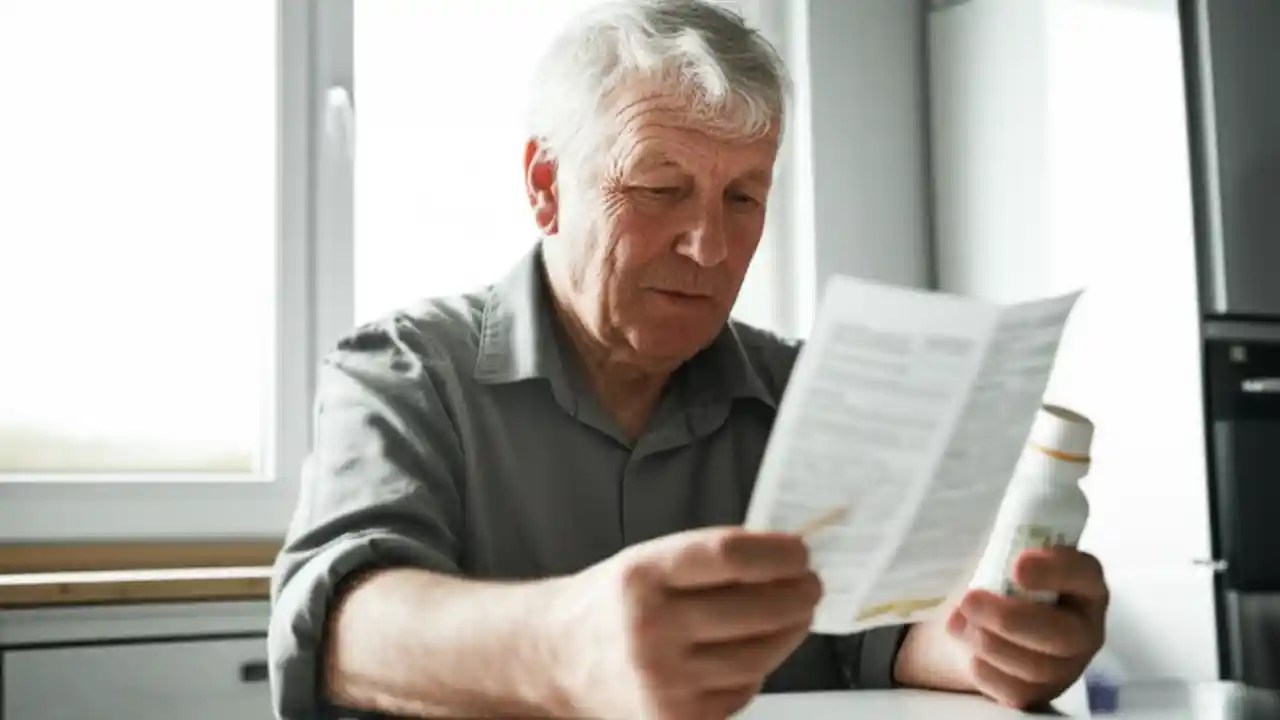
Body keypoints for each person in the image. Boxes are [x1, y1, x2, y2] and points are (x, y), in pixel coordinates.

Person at [268, 1, 1108, 718]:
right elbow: (339, 629)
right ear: (545, 184)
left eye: (744, 197)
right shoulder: (404, 372)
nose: (710, 245)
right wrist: (566, 645)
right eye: (659, 188)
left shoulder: (807, 393)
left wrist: (993, 646)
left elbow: (890, 639)